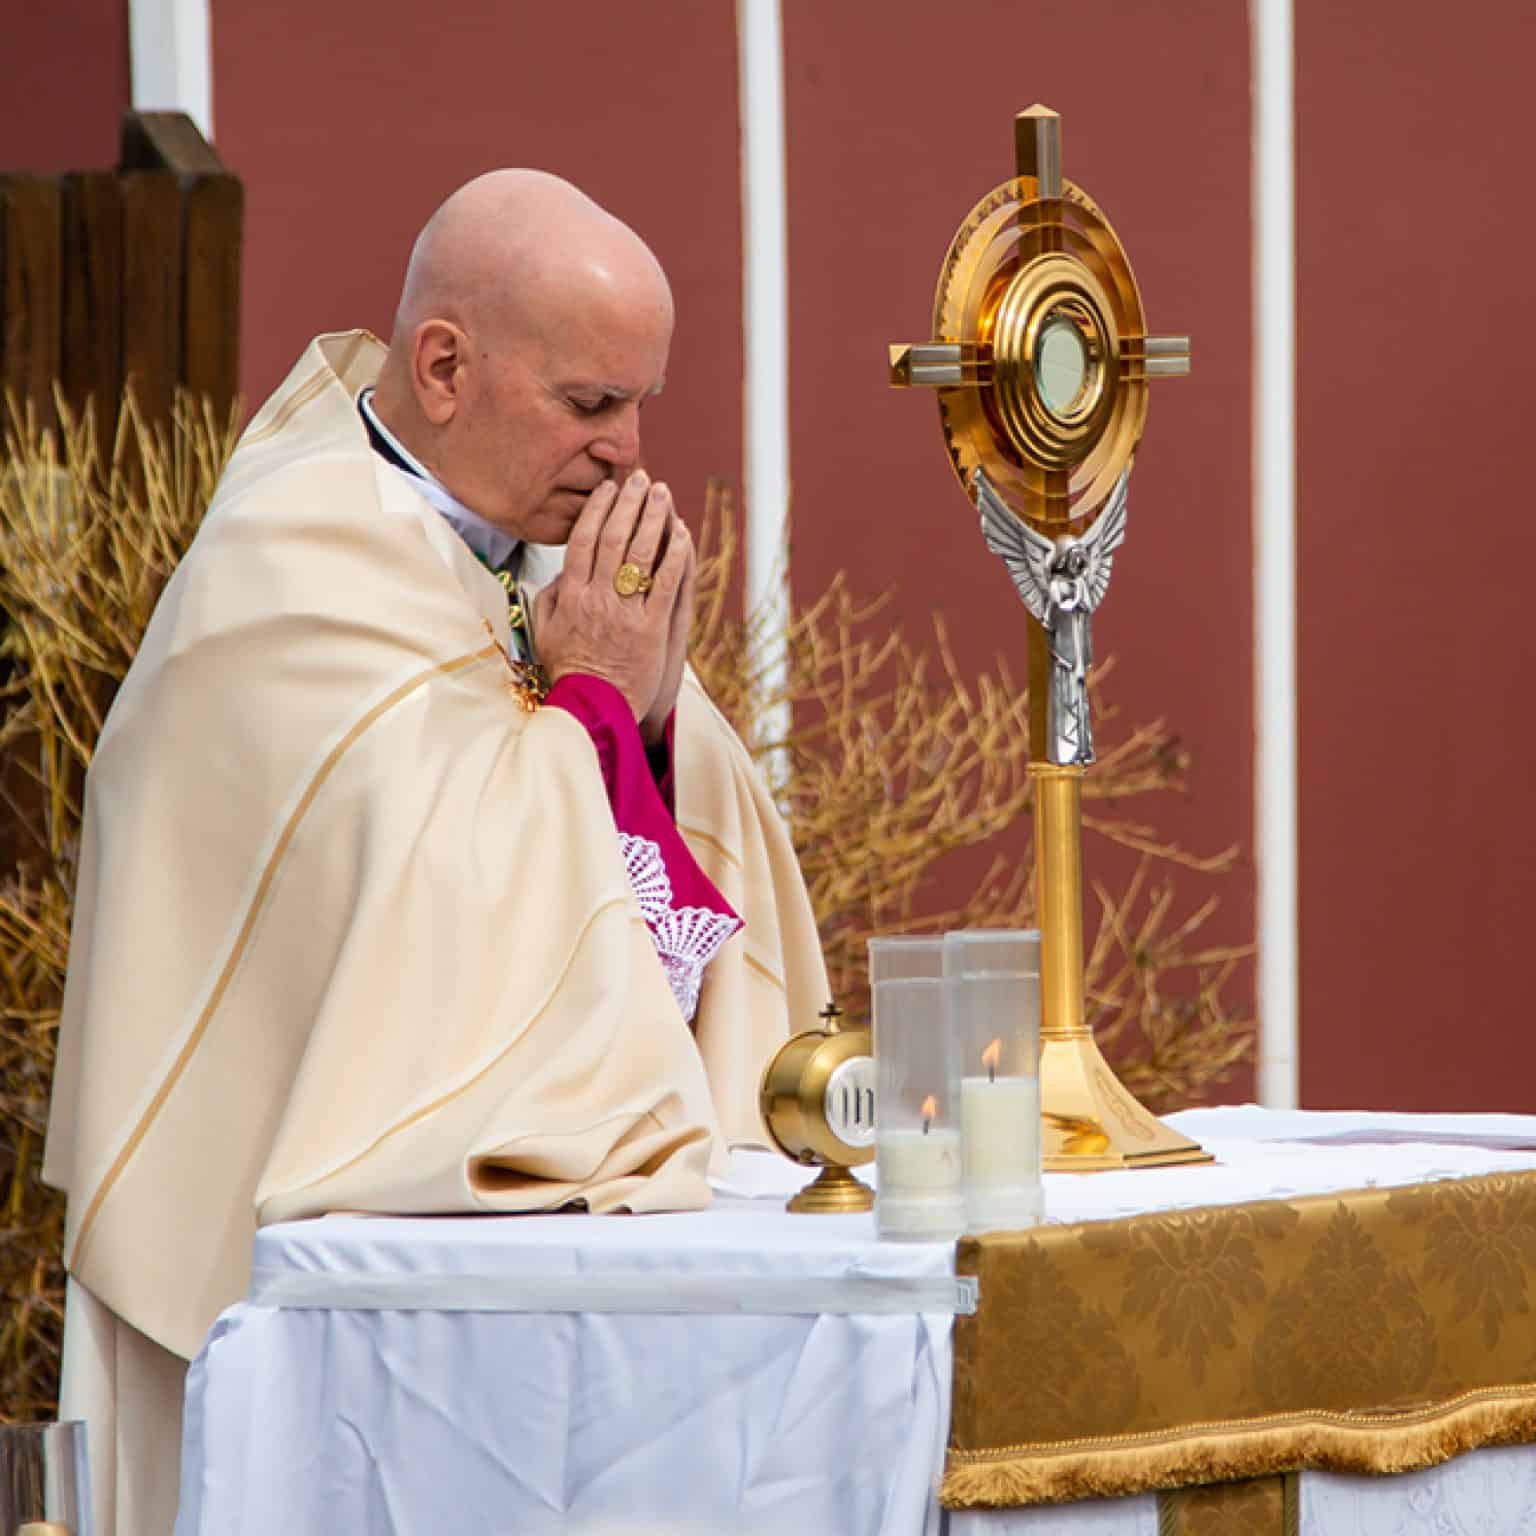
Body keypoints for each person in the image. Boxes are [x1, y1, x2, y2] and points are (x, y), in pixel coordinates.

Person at [43, 170, 828, 1536]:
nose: (631, 452)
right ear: (446, 367)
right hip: (313, 1300)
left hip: (555, 1310)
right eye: (590, 405)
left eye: (642, 401)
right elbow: (420, 936)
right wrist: (589, 700)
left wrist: (642, 719)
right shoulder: (288, 568)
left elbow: (673, 919)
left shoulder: (548, 571)